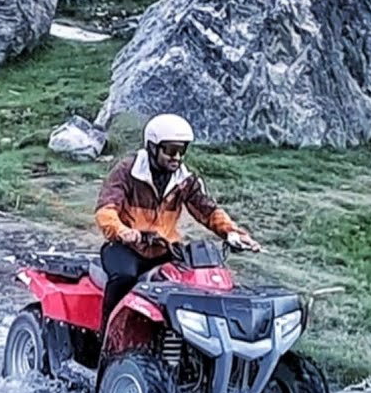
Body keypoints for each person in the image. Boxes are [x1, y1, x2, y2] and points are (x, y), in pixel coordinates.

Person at [94, 113, 261, 334]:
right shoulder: (127, 171)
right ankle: (107, 336)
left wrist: (232, 232)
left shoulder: (185, 180)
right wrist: (122, 231)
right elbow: (106, 209)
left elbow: (208, 210)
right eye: (171, 150)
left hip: (165, 248)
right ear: (153, 148)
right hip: (127, 248)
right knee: (123, 279)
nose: (177, 157)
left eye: (182, 150)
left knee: (200, 283)